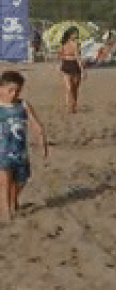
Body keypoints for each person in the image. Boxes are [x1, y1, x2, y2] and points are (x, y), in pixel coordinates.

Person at [0, 71, 49, 222]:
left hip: (20, 151)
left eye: (17, 90)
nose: (14, 94)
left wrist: (42, 141)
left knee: (22, 180)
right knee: (5, 181)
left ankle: (13, 199)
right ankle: (6, 210)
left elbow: (36, 124)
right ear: (0, 88)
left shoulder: (23, 105)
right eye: (10, 90)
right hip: (2, 152)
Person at [56, 28, 85, 114]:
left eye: (75, 35)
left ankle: (74, 105)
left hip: (74, 65)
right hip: (66, 65)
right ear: (69, 35)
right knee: (69, 87)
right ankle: (69, 105)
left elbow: (78, 58)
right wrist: (59, 65)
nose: (74, 37)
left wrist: (82, 69)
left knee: (75, 88)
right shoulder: (63, 45)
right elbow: (60, 56)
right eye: (73, 35)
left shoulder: (76, 45)